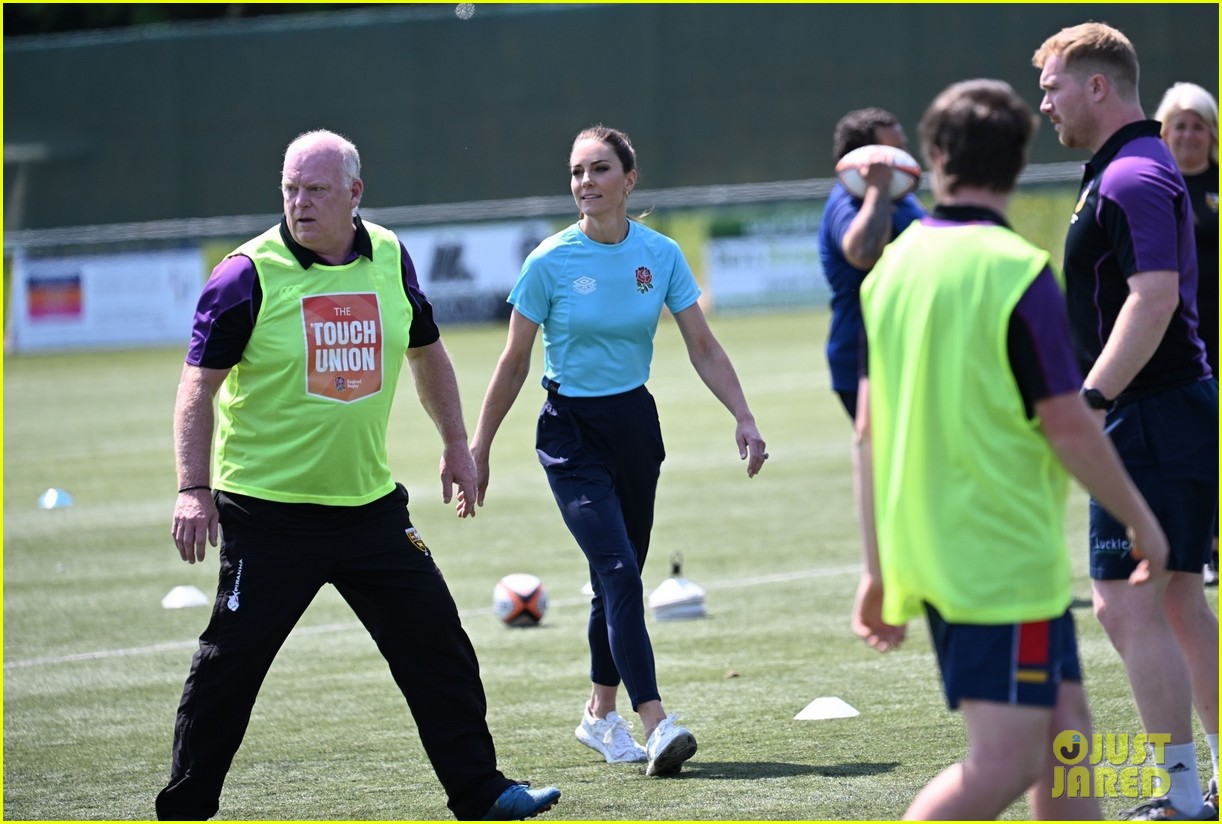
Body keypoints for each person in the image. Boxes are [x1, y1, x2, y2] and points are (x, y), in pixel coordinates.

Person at [157, 129, 560, 822]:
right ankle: (185, 809)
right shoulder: (244, 276)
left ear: (354, 194)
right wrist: (194, 488)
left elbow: (426, 351)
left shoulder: (390, 256)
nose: (299, 202)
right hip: (266, 514)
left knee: (439, 647)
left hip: (370, 510)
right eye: (289, 188)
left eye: (315, 189)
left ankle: (480, 792)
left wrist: (457, 442)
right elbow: (197, 388)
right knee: (228, 669)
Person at [852, 77, 1169, 820]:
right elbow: (1067, 425)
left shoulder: (891, 268)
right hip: (997, 558)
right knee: (1008, 762)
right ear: (1020, 161)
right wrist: (1141, 520)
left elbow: (866, 431)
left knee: (1067, 742)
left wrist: (875, 568)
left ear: (933, 156)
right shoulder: (1017, 270)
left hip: (938, 549)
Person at [467, 124, 767, 778]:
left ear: (629, 180)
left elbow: (703, 347)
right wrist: (477, 448)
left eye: (599, 169)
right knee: (621, 570)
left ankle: (599, 714)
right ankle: (657, 723)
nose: (585, 183)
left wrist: (743, 416)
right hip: (570, 434)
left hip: (635, 425)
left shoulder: (660, 256)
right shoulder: (548, 261)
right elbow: (514, 362)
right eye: (577, 171)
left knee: (618, 573)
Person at [1033, 23, 1219, 819]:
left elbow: (1154, 299)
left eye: (1053, 87)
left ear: (1097, 86)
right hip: (1157, 413)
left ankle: (1177, 791)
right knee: (1173, 594)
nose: (1044, 103)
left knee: (1127, 601)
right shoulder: (1117, 167)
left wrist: (1092, 400)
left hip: (1150, 414)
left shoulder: (1134, 174)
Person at [817, 107, 926, 421]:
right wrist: (877, 187)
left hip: (908, 352)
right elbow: (862, 253)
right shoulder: (846, 203)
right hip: (864, 359)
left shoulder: (901, 199)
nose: (905, 158)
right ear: (865, 161)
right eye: (894, 152)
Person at [1153, 81, 1220, 585]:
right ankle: (1191, 546)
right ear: (1165, 132)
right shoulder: (1154, 186)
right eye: (1181, 125)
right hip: (1177, 340)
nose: (1190, 134)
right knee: (1190, 447)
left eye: (1199, 126)